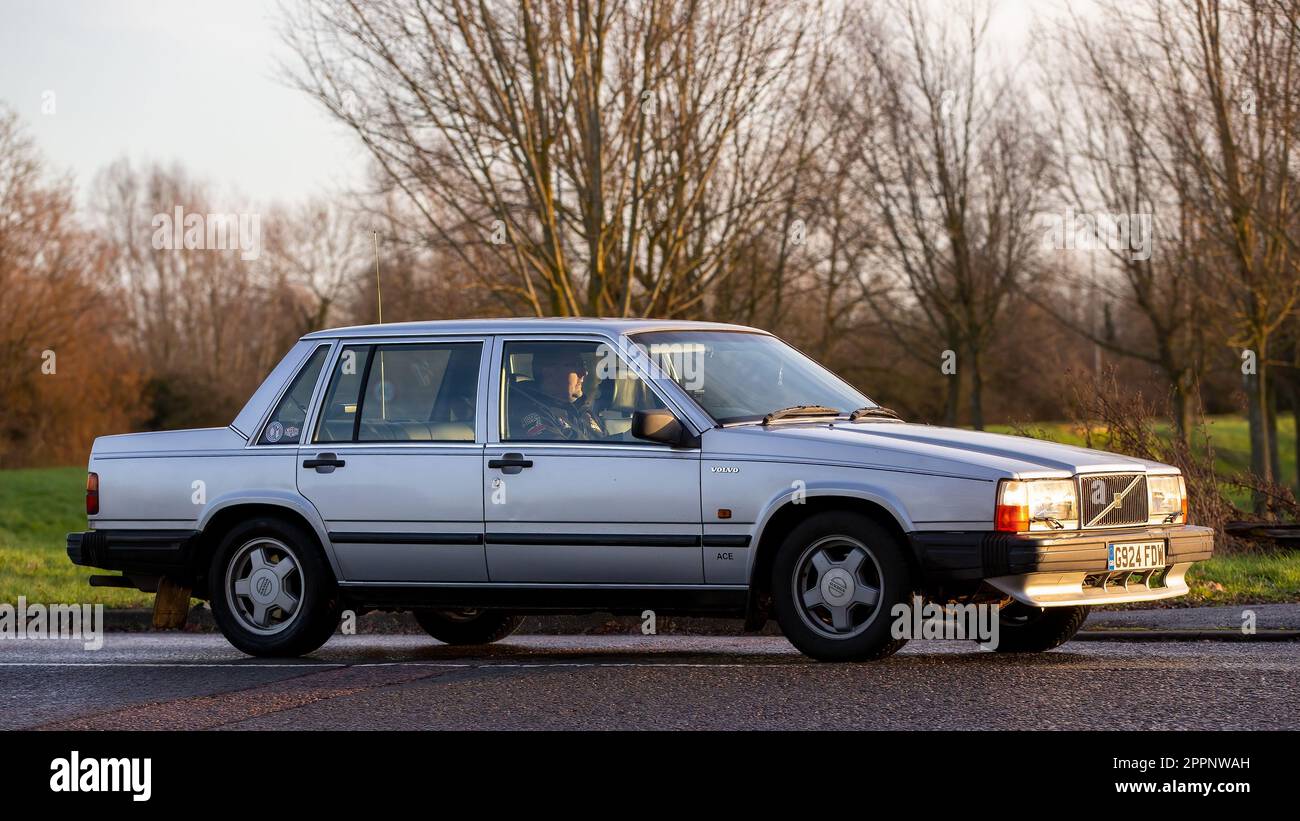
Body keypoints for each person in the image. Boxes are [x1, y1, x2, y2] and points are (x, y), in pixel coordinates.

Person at [508, 347, 606, 441]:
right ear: (548, 372)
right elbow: (557, 455)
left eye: (582, 365)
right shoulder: (533, 412)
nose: (584, 372)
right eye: (574, 365)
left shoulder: (584, 410)